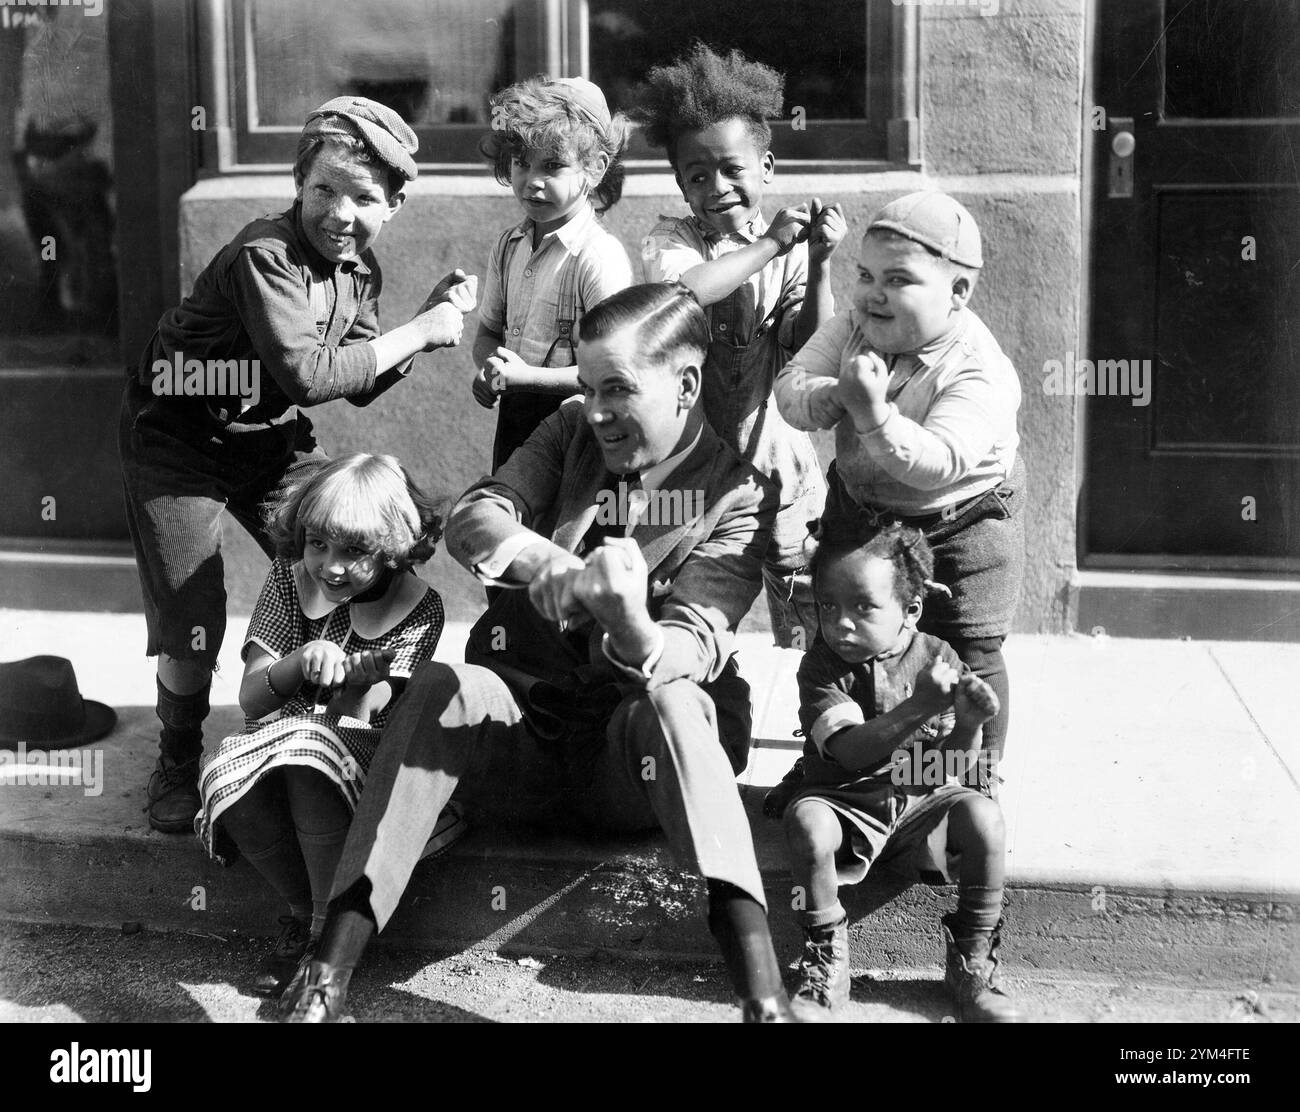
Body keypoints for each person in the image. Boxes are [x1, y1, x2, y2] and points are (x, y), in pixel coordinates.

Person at [278, 283, 814, 1024]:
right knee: (441, 686)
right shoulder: (570, 434)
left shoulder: (739, 494)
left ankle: (762, 998)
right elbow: (474, 517)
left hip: (635, 764)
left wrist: (628, 622)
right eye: (588, 388)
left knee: (676, 702)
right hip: (531, 734)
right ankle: (326, 973)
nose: (597, 411)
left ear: (686, 385)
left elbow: (690, 646)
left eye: (618, 390)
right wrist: (552, 567)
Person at [119, 95, 477, 834]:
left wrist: (429, 322)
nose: (341, 212)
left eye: (364, 197)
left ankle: (348, 710)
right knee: (192, 612)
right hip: (178, 439)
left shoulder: (359, 271)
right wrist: (420, 331)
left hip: (265, 435)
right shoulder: (266, 253)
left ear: (396, 204)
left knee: (365, 532)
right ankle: (178, 758)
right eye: (324, 190)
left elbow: (361, 379)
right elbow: (311, 376)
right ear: (297, 183)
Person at [770, 190, 1024, 810]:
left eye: (899, 280)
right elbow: (790, 386)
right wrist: (830, 396)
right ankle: (831, 762)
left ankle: (970, 777)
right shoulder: (856, 326)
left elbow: (938, 464)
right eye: (864, 275)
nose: (872, 294)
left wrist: (872, 411)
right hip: (863, 511)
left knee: (967, 647)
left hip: (962, 521)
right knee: (845, 631)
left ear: (958, 293)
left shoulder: (978, 368)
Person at [194, 453, 464, 996]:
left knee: (310, 749)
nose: (330, 565)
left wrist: (358, 685)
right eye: (318, 543)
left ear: (393, 549)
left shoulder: (420, 608)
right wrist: (297, 661)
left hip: (353, 762)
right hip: (278, 742)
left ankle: (324, 938)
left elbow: (366, 724)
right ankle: (303, 914)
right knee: (225, 770)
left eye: (355, 551)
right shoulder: (289, 580)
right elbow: (251, 701)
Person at [632, 44, 846, 647]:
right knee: (683, 601)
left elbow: (810, 345)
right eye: (697, 177)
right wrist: (773, 246)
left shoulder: (789, 247)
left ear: (767, 167)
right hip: (694, 471)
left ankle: (822, 724)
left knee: (808, 607)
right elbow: (688, 292)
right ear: (680, 185)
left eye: (733, 170)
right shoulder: (673, 240)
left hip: (777, 460)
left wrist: (821, 261)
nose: (717, 187)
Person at [782, 521, 1023, 1022]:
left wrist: (972, 724)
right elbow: (849, 753)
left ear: (910, 611)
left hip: (919, 810)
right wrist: (919, 708)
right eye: (828, 606)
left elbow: (946, 767)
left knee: (983, 816)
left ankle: (972, 962)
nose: (841, 623)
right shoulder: (820, 667)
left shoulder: (938, 658)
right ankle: (827, 961)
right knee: (807, 822)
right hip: (844, 805)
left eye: (863, 606)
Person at [472, 75, 634, 468]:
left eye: (553, 166)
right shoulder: (507, 246)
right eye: (522, 164)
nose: (533, 182)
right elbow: (488, 335)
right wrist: (491, 369)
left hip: (582, 432)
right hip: (515, 426)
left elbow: (614, 372)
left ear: (594, 169)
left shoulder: (598, 257)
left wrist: (525, 377)